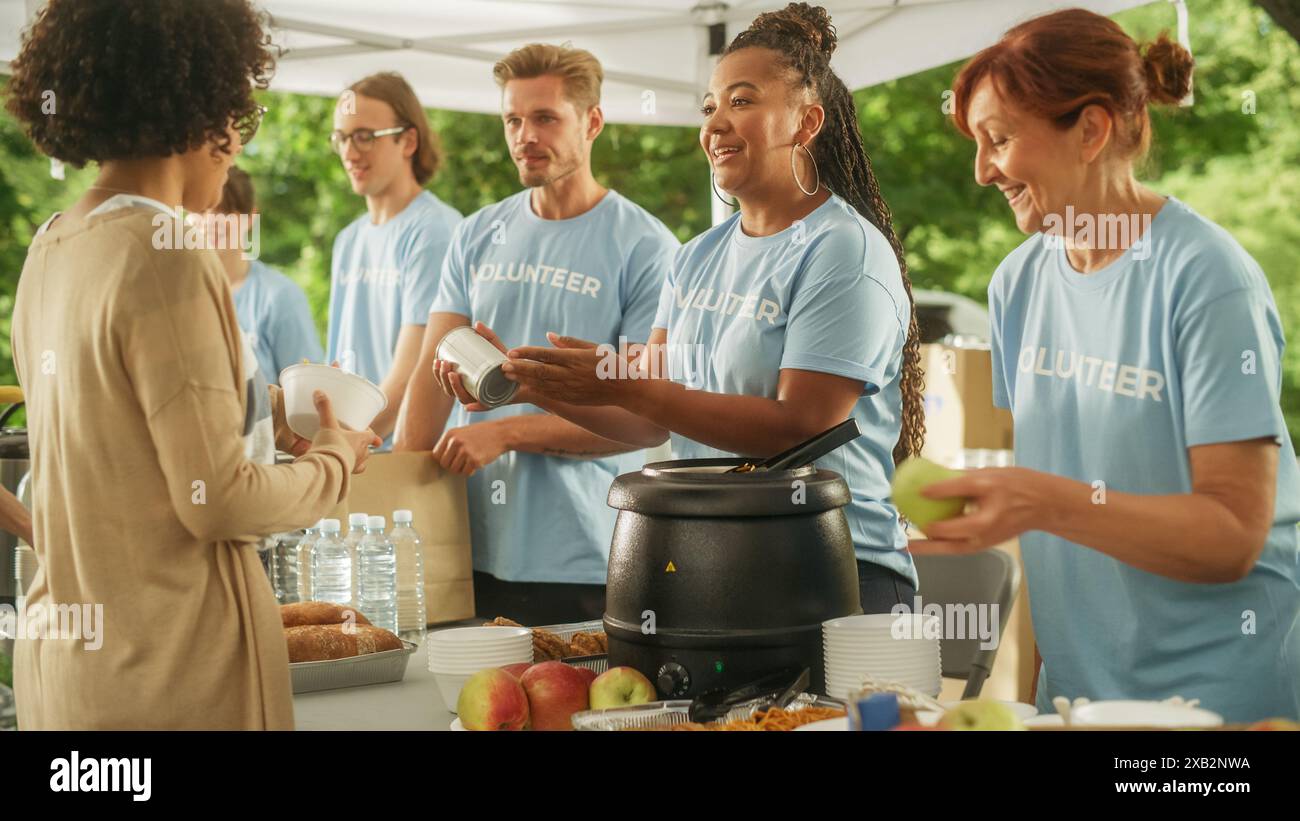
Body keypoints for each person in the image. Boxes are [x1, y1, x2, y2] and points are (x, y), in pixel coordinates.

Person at [437, 4, 926, 615]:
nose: (716, 123)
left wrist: (632, 386)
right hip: (717, 562)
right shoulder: (697, 257)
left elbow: (802, 423)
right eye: (709, 107)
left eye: (742, 102)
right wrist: (532, 386)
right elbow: (651, 421)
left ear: (806, 123)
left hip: (836, 573)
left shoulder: (843, 250)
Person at [4, 0, 379, 729]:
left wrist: (259, 416)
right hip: (169, 676)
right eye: (240, 106)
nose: (238, 136)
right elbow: (219, 502)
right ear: (204, 106)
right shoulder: (165, 249)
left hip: (74, 678)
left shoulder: (51, 247)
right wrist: (335, 457)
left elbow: (116, 440)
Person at [917, 8, 1300, 722]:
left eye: (998, 139)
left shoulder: (1207, 276)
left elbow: (1232, 535)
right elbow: (1056, 525)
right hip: (1077, 698)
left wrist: (1041, 499)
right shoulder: (1016, 282)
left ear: (1090, 130)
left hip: (1218, 701)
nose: (981, 170)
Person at [396, 43, 678, 624]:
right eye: (513, 120)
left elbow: (643, 417)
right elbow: (430, 377)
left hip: (577, 552)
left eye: (545, 118)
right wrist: (403, 491)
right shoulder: (476, 233)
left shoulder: (647, 247)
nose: (525, 134)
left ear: (592, 122)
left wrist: (506, 433)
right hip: (466, 543)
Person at [327, 72, 462, 445]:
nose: (349, 153)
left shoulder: (435, 231)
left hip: (399, 459)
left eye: (364, 137)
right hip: (354, 452)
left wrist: (346, 442)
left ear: (408, 140)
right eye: (341, 138)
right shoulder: (349, 240)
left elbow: (415, 372)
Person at [211, 167, 324, 384]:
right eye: (202, 211)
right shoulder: (175, 294)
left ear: (250, 218)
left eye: (225, 212)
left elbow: (308, 393)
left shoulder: (280, 297)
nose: (211, 222)